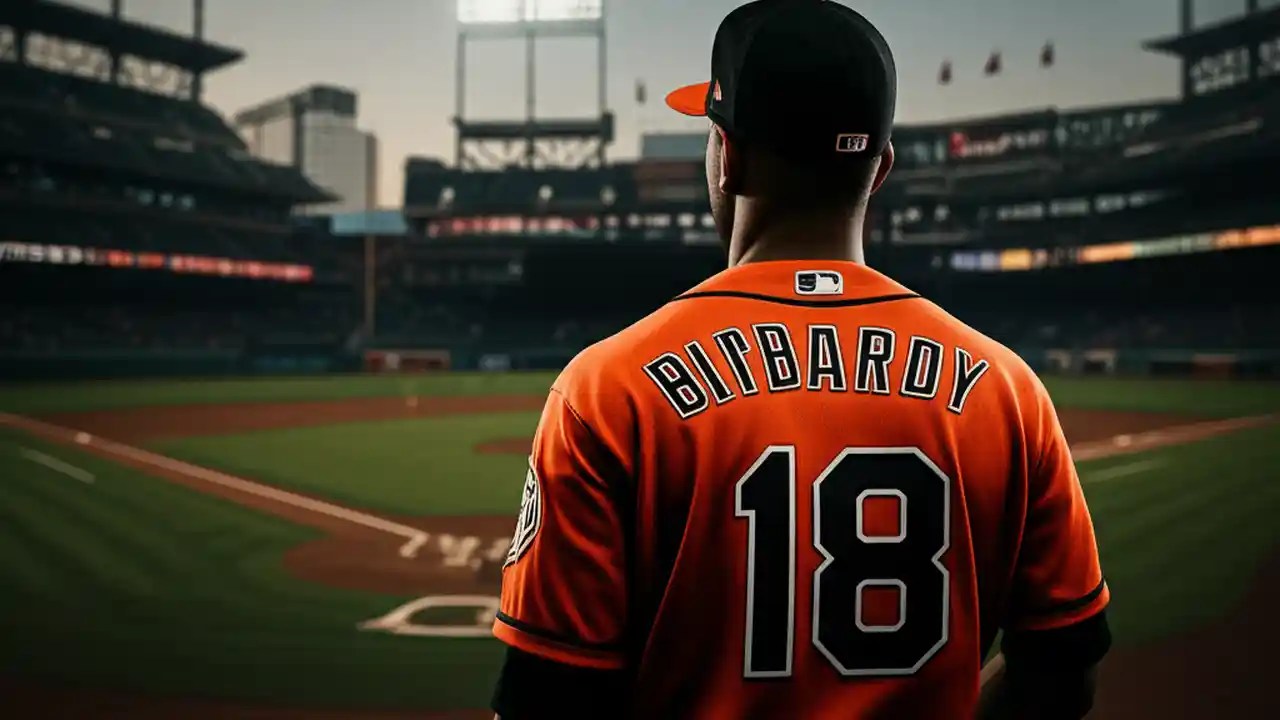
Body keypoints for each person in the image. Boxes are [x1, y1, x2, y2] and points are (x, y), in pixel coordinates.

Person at [489, 1, 1110, 718]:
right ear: (880, 169)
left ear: (730, 157)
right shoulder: (1008, 392)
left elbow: (546, 703)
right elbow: (1064, 672)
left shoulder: (607, 391)